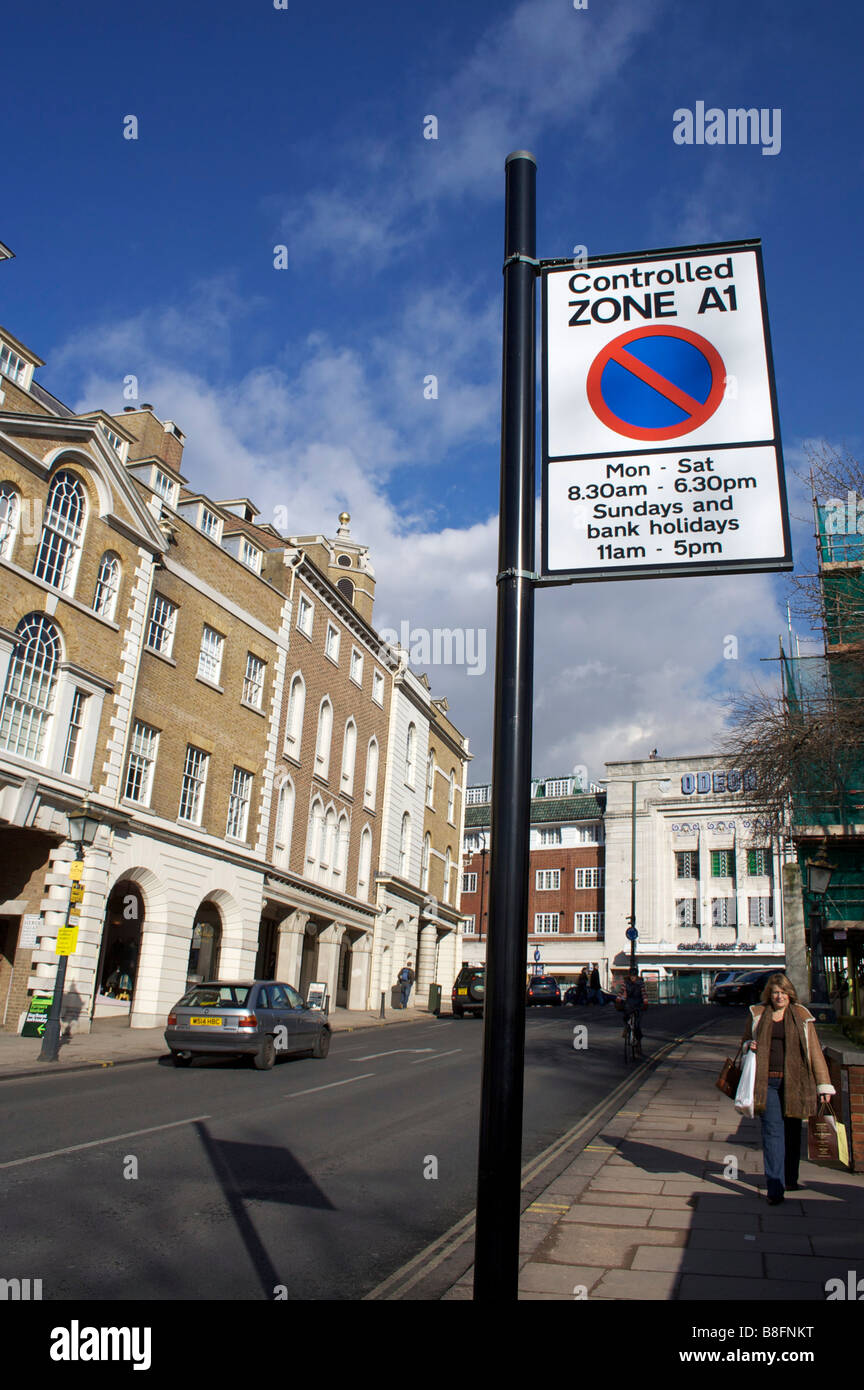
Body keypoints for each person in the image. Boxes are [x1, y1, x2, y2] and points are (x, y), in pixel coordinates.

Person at [740, 972, 836, 1206]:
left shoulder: (801, 1016)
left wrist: (824, 1084)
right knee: (773, 1132)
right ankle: (775, 1186)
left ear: (789, 994)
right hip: (767, 1083)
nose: (779, 996)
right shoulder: (758, 1014)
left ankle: (790, 1178)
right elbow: (743, 1042)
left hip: (796, 1082)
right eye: (775, 993)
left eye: (783, 992)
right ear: (769, 995)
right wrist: (748, 1045)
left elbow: (814, 1051)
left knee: (792, 1131)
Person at [618, 970, 646, 1049]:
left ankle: (638, 1041)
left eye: (634, 976)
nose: (632, 978)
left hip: (638, 1004)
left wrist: (645, 1002)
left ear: (636, 976)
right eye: (631, 976)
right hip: (629, 1003)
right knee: (625, 1016)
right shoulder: (626, 982)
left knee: (637, 1024)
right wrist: (618, 999)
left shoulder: (640, 983)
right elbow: (621, 991)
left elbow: (644, 994)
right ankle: (627, 1028)